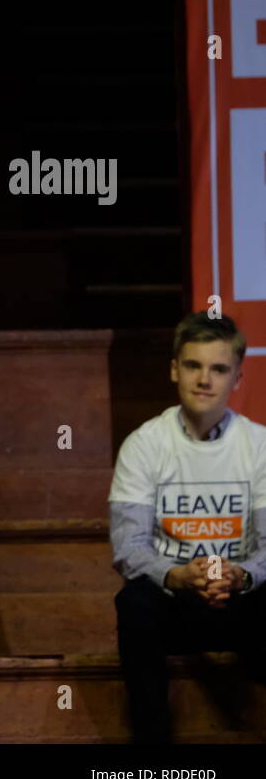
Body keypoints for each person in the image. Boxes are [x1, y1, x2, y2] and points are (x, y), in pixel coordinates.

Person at [109, 312, 266, 744]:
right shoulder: (144, 444)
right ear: (175, 368)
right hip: (174, 601)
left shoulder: (259, 446)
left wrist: (241, 575)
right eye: (194, 365)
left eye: (218, 369)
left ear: (236, 377)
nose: (204, 380)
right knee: (135, 602)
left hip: (242, 602)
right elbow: (129, 546)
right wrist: (179, 575)